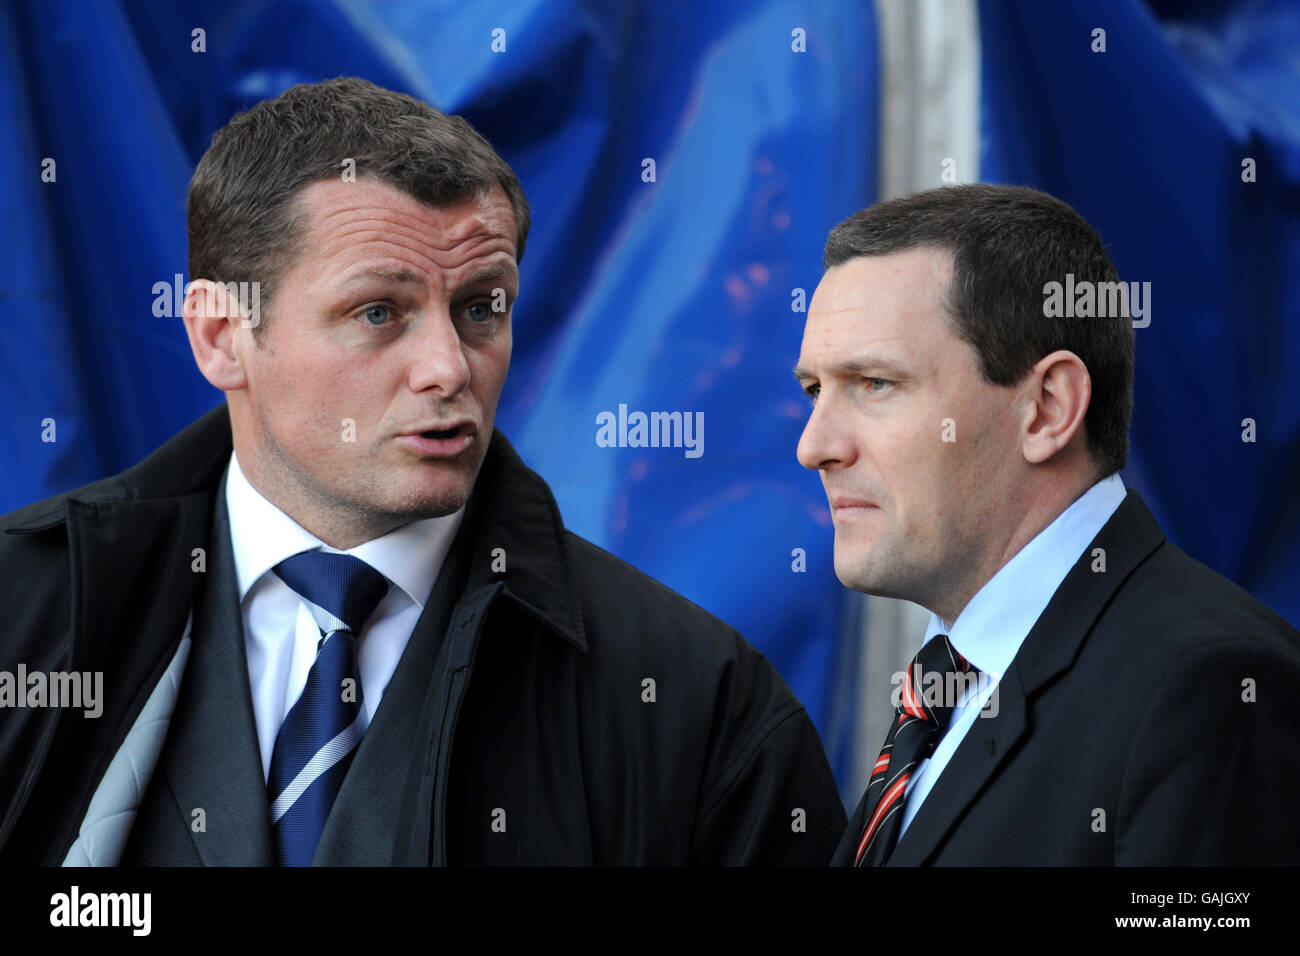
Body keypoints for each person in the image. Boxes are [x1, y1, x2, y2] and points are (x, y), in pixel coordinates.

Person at [0, 77, 844, 866]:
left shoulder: (696, 704)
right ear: (222, 336)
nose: (448, 367)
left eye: (482, 307)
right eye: (378, 312)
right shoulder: (24, 616)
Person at [793, 183, 1300, 866]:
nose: (814, 445)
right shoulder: (953, 682)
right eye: (814, 390)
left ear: (1048, 409)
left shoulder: (1207, 688)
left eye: (874, 384)